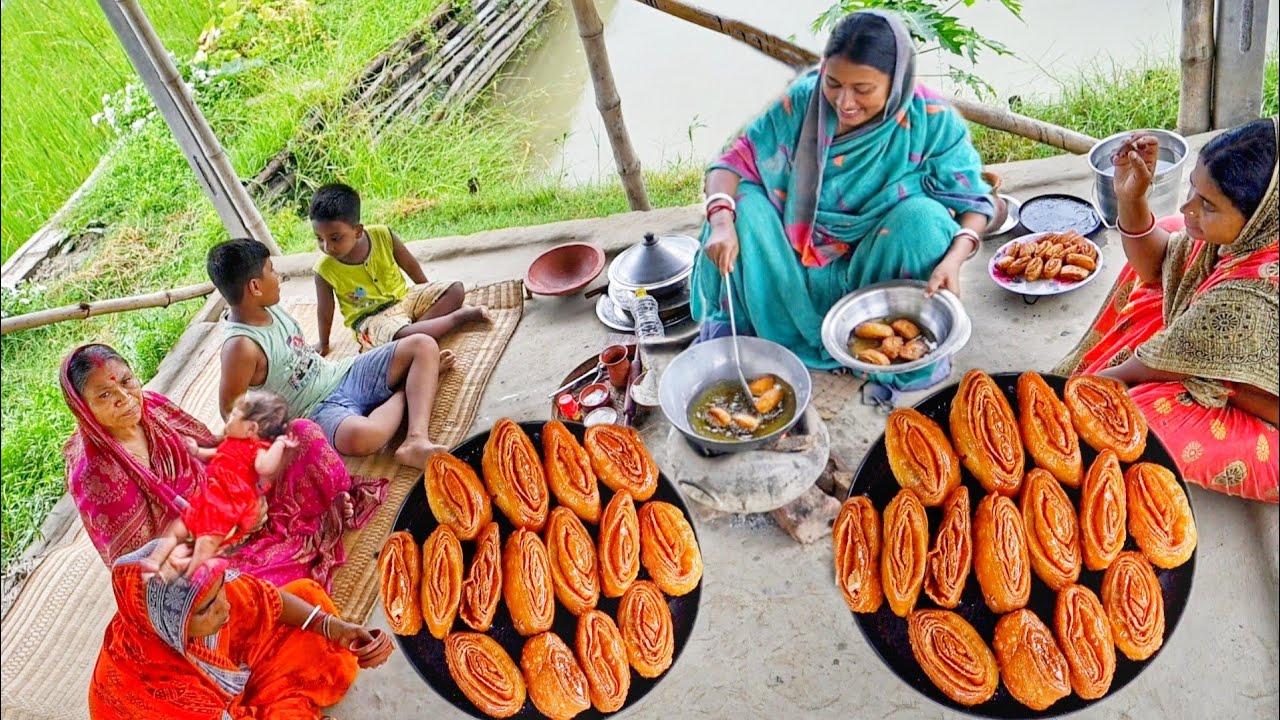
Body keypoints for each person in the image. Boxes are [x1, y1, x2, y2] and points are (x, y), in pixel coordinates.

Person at [692, 10, 993, 384]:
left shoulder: (930, 119)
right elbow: (732, 163)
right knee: (743, 209)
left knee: (925, 222)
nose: (845, 103)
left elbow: (975, 204)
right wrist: (721, 221)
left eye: (863, 90)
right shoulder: (805, 100)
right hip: (790, 268)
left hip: (878, 266)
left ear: (896, 81)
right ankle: (775, 333)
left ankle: (887, 342)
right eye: (834, 83)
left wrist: (954, 258)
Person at [1056, 116, 1278, 502]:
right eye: (1193, 188)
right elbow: (1157, 265)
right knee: (1176, 236)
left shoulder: (1250, 300)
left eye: (1207, 205)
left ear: (1260, 217)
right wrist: (1131, 199)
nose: (1189, 206)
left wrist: (1066, 398)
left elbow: (1135, 371)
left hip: (1268, 412)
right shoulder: (1250, 234)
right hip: (1224, 353)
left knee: (1136, 422)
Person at [61, 344, 387, 584]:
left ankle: (324, 507)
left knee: (302, 434)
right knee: (230, 592)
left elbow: (214, 451)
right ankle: (289, 543)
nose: (125, 397)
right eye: (104, 395)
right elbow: (143, 568)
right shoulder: (94, 475)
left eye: (127, 380)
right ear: (83, 409)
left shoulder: (154, 408)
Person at [208, 238, 455, 467]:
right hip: (315, 411)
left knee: (422, 344)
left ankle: (415, 438)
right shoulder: (241, 346)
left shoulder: (267, 308)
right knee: (364, 437)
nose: (278, 275)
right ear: (255, 287)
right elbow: (229, 410)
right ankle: (405, 388)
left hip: (341, 374)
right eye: (271, 270)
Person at [89, 542, 393, 719]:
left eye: (221, 585)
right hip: (197, 710)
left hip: (226, 680)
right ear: (173, 627)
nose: (225, 607)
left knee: (307, 598)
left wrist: (335, 629)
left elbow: (263, 598)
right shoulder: (156, 686)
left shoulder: (202, 600)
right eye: (207, 608)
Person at [310, 183, 487, 354]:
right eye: (319, 238)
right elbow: (325, 310)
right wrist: (324, 343)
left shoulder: (382, 235)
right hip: (372, 321)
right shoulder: (324, 270)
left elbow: (410, 265)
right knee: (395, 337)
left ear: (357, 231)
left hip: (405, 300)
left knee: (455, 289)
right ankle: (456, 318)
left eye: (335, 238)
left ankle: (415, 333)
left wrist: (427, 295)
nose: (327, 247)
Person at [181, 390, 295, 545]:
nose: (228, 419)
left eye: (233, 415)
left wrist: (279, 444)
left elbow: (264, 467)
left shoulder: (257, 449)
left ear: (251, 429)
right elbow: (216, 453)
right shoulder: (233, 444)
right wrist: (197, 451)